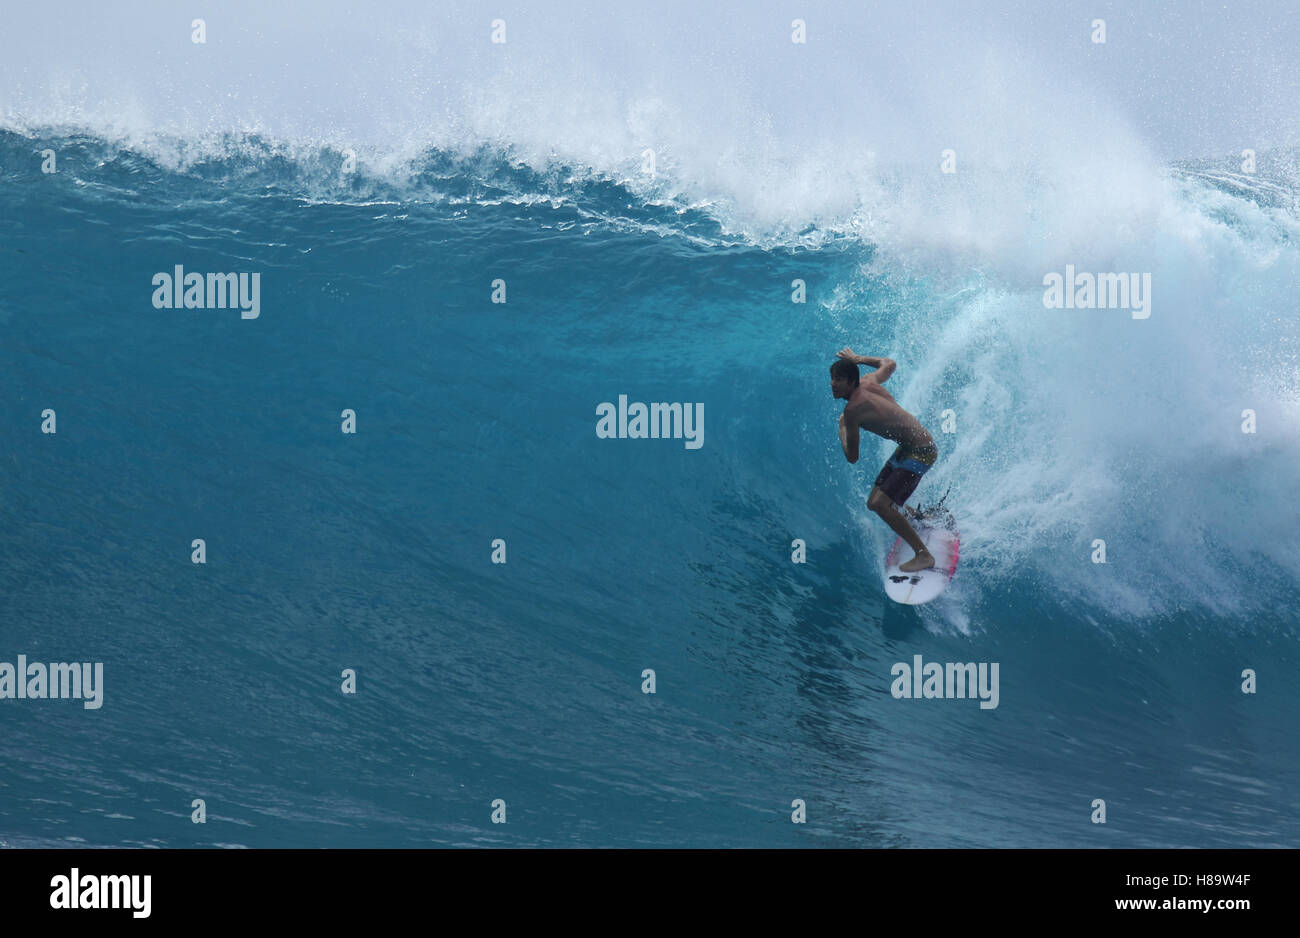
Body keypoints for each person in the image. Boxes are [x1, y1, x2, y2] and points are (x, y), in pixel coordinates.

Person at [831, 347, 938, 572]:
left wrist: (842, 427)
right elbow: (889, 364)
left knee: (879, 504)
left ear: (851, 382)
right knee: (875, 502)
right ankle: (918, 518)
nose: (833, 384)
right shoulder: (869, 381)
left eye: (839, 380)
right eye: (832, 379)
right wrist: (858, 359)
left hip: (920, 451)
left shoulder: (852, 411)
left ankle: (923, 555)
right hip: (912, 446)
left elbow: (852, 457)